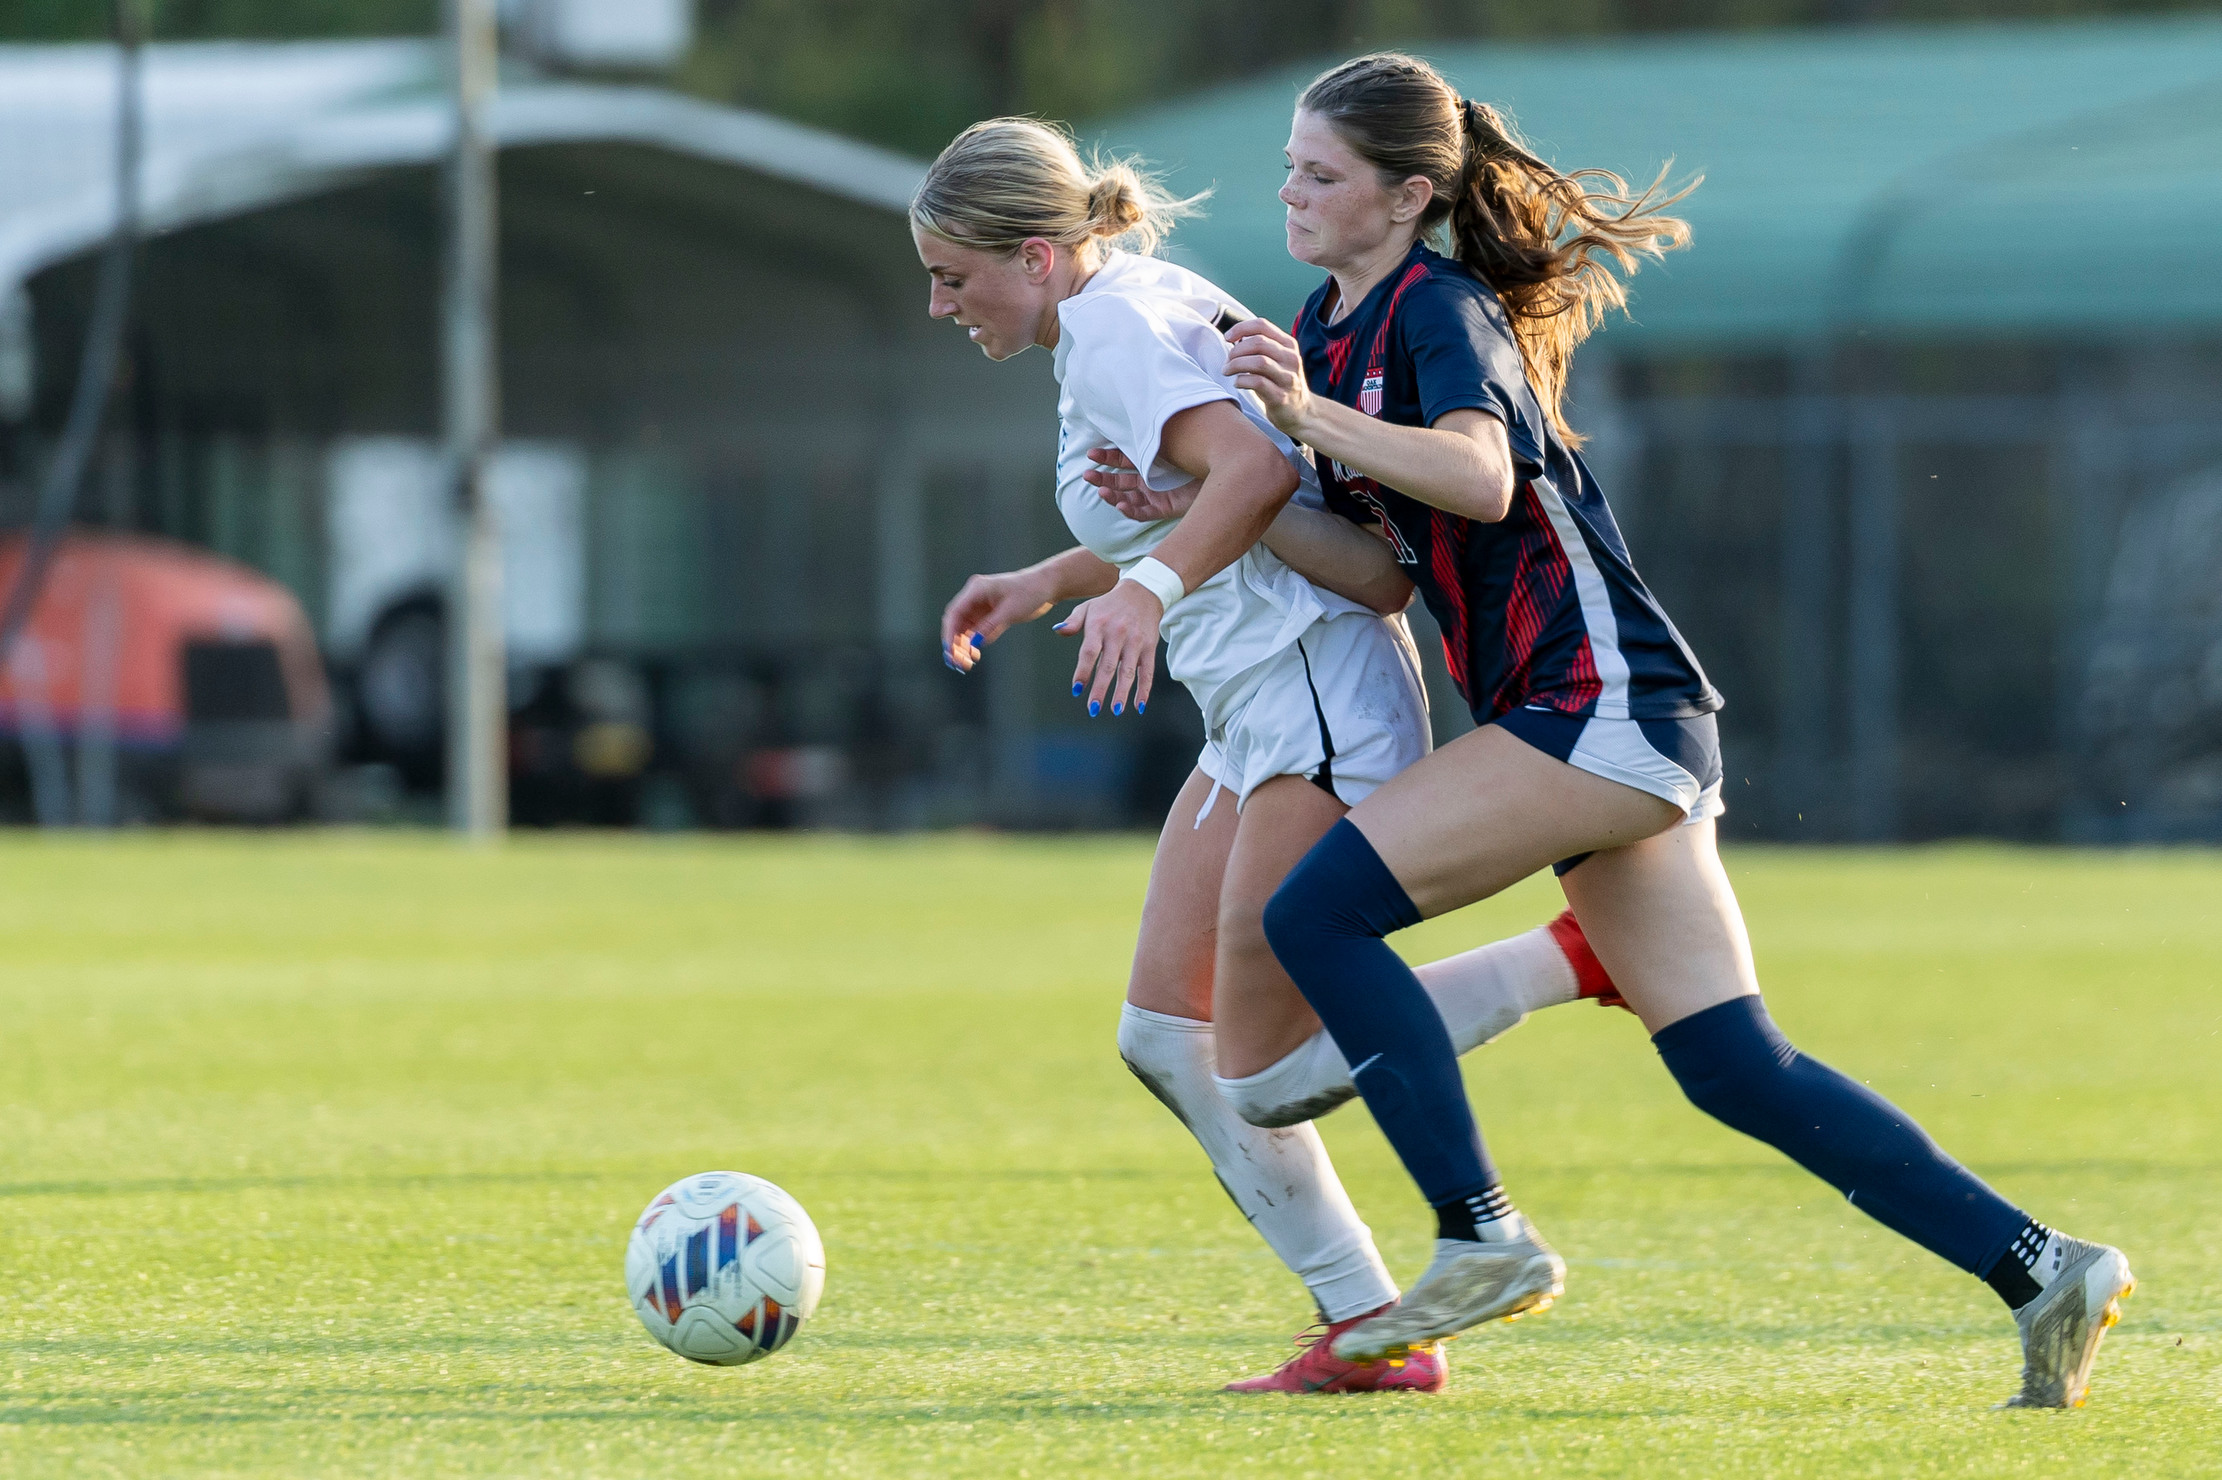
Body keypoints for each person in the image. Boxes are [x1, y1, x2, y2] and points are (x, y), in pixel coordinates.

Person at [1181, 52, 2132, 1408]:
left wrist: (1302, 418)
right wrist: (1229, 497)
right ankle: (2041, 1265)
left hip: (1597, 704)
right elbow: (1388, 569)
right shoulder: (1322, 331)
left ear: (1404, 197)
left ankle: (1477, 1229)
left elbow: (1479, 471)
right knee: (1733, 1066)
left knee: (1315, 918)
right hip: (1596, 718)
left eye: (1320, 174)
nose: (1291, 190)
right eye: (1289, 165)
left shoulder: (1434, 306)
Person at [911, 117, 1626, 1394]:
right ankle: (1367, 1328)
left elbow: (1244, 473)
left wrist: (1148, 592)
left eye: (951, 277)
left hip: (1311, 691)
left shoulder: (1120, 324)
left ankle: (1571, 957)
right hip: (1254, 705)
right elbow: (1221, 490)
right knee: (1161, 1036)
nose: (937, 303)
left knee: (1270, 1074)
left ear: (1033, 256)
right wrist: (1052, 578)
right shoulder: (1110, 314)